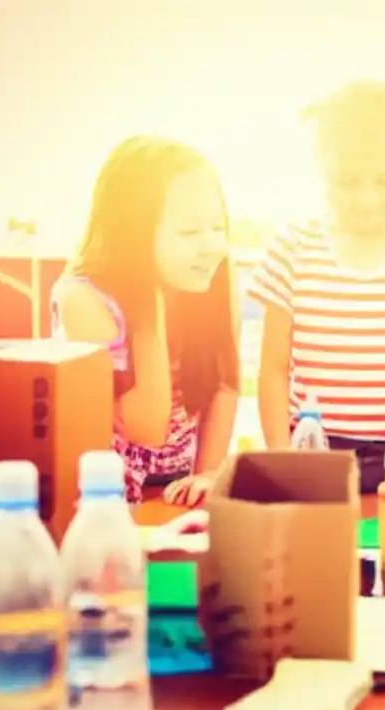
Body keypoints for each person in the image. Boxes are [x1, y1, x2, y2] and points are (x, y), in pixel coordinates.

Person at [249, 80, 385, 491]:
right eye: (347, 182)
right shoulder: (292, 247)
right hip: (311, 455)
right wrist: (280, 455)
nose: (367, 198)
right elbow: (274, 370)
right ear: (320, 171)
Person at [51, 136, 239, 506]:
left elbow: (225, 384)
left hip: (172, 489)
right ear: (133, 234)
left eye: (217, 227)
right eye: (189, 232)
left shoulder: (210, 275)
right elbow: (149, 426)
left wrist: (207, 477)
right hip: (100, 497)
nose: (211, 245)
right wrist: (148, 296)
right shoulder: (83, 299)